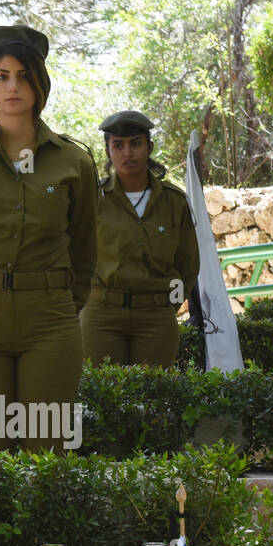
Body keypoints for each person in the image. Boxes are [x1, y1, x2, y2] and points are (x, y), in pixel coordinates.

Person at [0, 24, 98, 452]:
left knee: (46, 452)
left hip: (50, 322)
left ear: (40, 84)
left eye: (24, 76)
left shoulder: (73, 161)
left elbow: (85, 249)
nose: (13, 86)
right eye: (2, 75)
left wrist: (62, 305)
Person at [81, 110, 199, 368]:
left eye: (135, 143)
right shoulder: (92, 198)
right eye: (118, 145)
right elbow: (74, 255)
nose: (127, 153)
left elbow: (188, 263)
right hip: (101, 316)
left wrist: (169, 305)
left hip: (155, 317)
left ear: (149, 147)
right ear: (108, 151)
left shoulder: (173, 201)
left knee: (153, 400)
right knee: (102, 397)